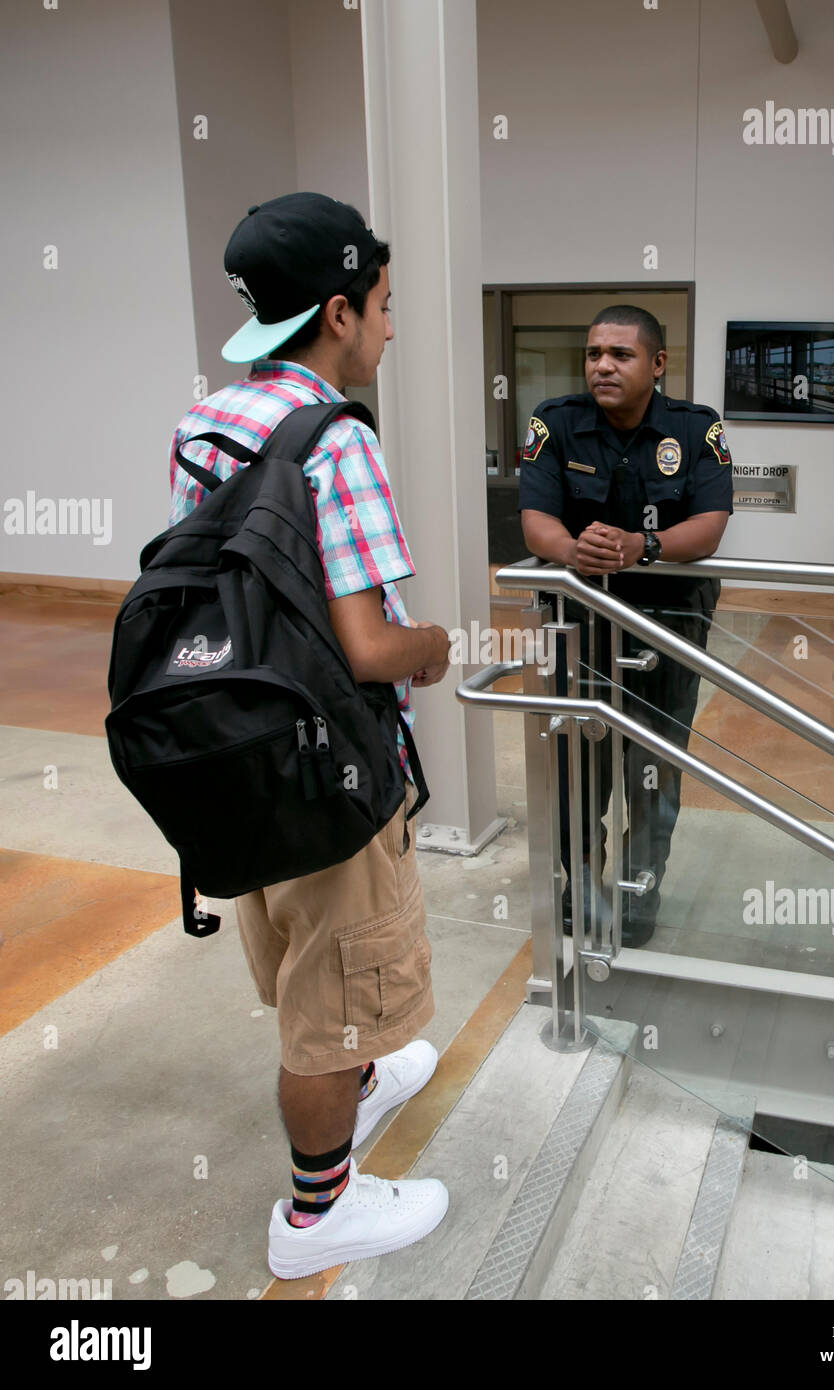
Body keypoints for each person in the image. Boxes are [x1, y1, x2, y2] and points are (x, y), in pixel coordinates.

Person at [168, 193, 451, 1279]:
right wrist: (433, 645)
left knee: (306, 965)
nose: (390, 328)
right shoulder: (340, 441)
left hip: (243, 750)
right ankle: (315, 1214)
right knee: (332, 1005)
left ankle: (368, 1080)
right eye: (384, 306)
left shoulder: (207, 422)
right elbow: (368, 647)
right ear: (338, 310)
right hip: (331, 774)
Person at [518, 305, 733, 948]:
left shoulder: (696, 430)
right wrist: (569, 552)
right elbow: (536, 521)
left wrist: (645, 545)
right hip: (577, 625)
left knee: (653, 763)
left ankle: (642, 888)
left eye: (621, 354)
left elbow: (711, 525)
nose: (602, 366)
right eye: (593, 354)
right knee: (575, 762)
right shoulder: (555, 424)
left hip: (666, 627)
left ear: (658, 363)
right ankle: (580, 881)